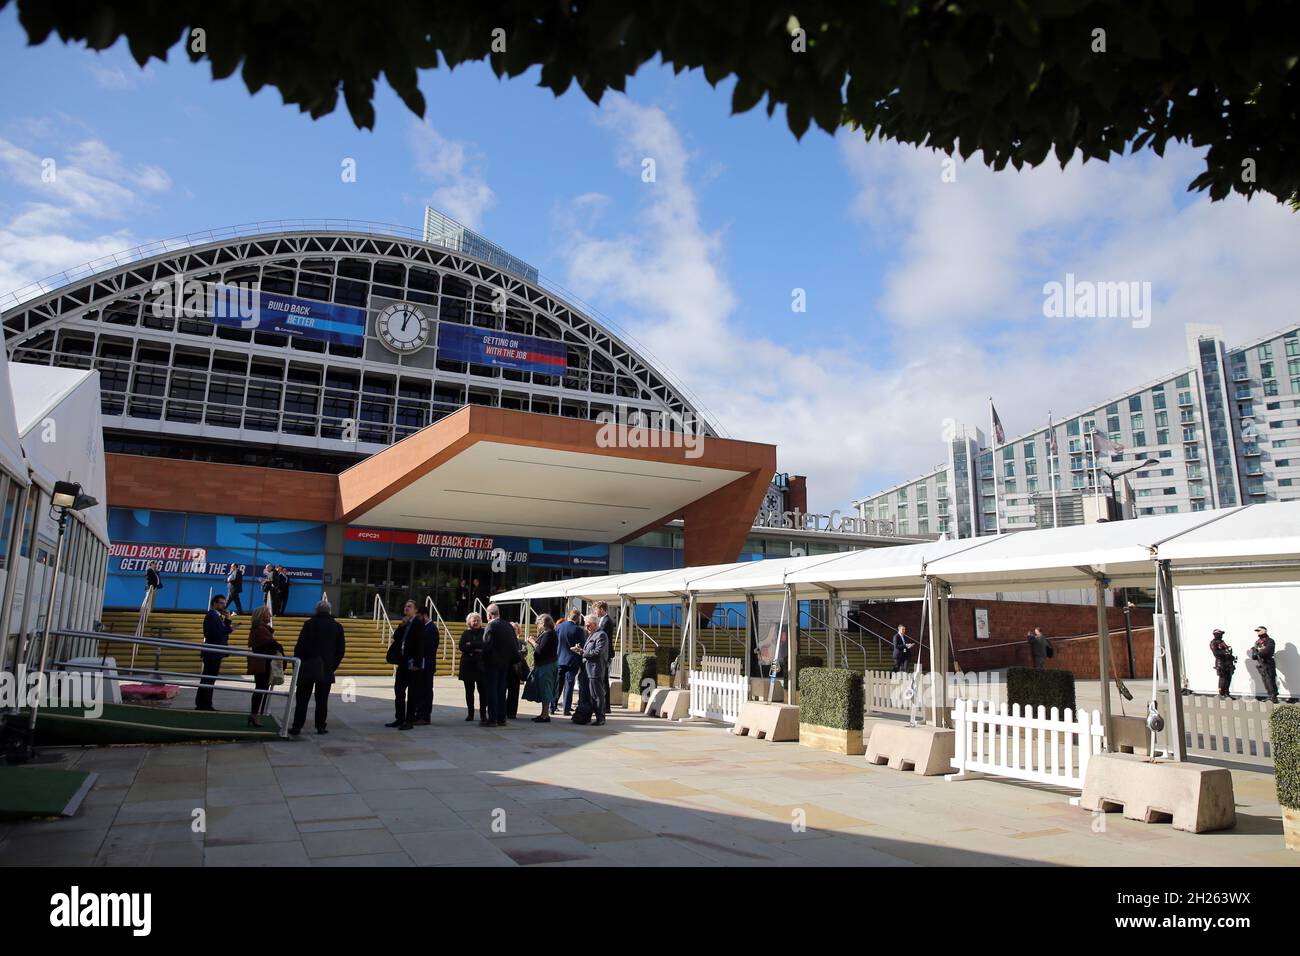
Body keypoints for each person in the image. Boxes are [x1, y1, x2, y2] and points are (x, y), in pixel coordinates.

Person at [290, 598, 346, 736]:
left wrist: (298, 663)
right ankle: (320, 726)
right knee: (322, 700)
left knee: (302, 699)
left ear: (316, 610)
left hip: (308, 665)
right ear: (329, 611)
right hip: (326, 667)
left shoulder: (309, 624)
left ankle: (297, 726)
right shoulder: (337, 626)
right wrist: (333, 665)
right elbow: (341, 650)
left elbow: (299, 647)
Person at [386, 600, 423, 730]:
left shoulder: (418, 624)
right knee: (399, 691)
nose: (406, 608)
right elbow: (396, 637)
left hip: (412, 663)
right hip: (402, 662)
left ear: (416, 610)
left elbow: (420, 645)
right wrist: (402, 625)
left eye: (409, 606)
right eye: (405, 606)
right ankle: (399, 718)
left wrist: (417, 663)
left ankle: (409, 720)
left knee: (412, 693)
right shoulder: (404, 623)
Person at [246, 605, 283, 726]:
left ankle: (255, 715)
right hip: (263, 663)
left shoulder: (260, 628)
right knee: (260, 688)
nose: (270, 616)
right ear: (262, 615)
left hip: (263, 662)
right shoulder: (261, 629)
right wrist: (278, 647)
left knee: (261, 688)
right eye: (268, 613)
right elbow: (270, 644)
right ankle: (254, 715)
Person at [481, 604, 517, 727]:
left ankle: (493, 718)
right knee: (501, 691)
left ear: (489, 615)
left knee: (492, 691)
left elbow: (487, 645)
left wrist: (484, 660)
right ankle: (502, 718)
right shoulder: (508, 626)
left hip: (492, 663)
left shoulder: (491, 626)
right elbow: (514, 645)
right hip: (504, 663)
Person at [196, 594, 233, 711]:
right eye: (221, 603)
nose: (224, 605)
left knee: (209, 679)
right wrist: (229, 627)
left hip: (216, 652)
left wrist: (227, 621)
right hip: (213, 652)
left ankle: (204, 703)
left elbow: (221, 632)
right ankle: (204, 704)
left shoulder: (217, 616)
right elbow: (214, 634)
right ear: (215, 604)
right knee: (208, 679)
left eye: (224, 603)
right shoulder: (212, 616)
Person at [523, 613, 559, 722]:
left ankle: (545, 715)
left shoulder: (549, 634)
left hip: (546, 666)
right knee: (544, 689)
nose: (537, 625)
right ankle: (543, 713)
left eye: (538, 623)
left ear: (543, 623)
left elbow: (540, 650)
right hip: (544, 664)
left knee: (545, 689)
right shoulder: (547, 633)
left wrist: (533, 642)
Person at [554, 608, 586, 715]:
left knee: (557, 685)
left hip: (559, 660)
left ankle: (552, 707)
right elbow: (582, 646)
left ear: (568, 616)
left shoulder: (558, 627)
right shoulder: (578, 630)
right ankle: (566, 709)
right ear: (577, 618)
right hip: (572, 661)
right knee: (569, 686)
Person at [413, 605, 440, 725]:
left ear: (424, 615)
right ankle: (419, 713)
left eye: (418, 616)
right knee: (420, 690)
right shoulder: (424, 627)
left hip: (427, 664)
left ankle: (424, 716)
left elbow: (428, 648)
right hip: (422, 663)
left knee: (426, 690)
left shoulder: (431, 629)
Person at [580, 612, 609, 726]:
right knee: (591, 694)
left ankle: (600, 718)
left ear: (595, 624)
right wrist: (581, 651)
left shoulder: (601, 635)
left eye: (588, 625)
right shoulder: (592, 635)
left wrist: (583, 652)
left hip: (595, 669)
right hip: (589, 669)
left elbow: (598, 652)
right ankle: (593, 716)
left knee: (597, 695)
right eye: (585, 625)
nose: (586, 627)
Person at [459, 612, 487, 722]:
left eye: (477, 620)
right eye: (473, 620)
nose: (475, 622)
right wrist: (475, 647)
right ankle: (470, 713)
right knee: (469, 691)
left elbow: (485, 645)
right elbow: (462, 646)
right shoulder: (466, 633)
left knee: (483, 691)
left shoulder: (484, 632)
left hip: (481, 665)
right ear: (469, 622)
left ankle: (483, 715)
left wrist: (471, 644)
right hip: (468, 666)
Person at [594, 600, 616, 716]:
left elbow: (602, 637)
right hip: (605, 654)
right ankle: (604, 705)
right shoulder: (603, 620)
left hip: (605, 654)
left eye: (596, 609)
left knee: (604, 680)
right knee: (602, 680)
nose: (595, 612)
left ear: (601, 609)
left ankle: (606, 706)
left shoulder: (607, 621)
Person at [1250, 626, 1279, 703]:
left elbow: (1268, 651)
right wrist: (1254, 654)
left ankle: (1274, 696)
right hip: (1260, 664)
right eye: (1257, 631)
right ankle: (1270, 695)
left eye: (1259, 631)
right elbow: (1254, 655)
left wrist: (1258, 653)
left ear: (1264, 631)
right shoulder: (1257, 642)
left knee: (1270, 679)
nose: (1257, 632)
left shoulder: (1270, 641)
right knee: (1265, 680)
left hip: (1268, 663)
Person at [505, 620, 528, 719]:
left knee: (514, 692)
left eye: (514, 629)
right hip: (505, 669)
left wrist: (513, 653)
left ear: (518, 631)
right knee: (502, 691)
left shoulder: (521, 642)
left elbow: (523, 652)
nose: (513, 630)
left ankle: (512, 713)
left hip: (516, 670)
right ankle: (502, 710)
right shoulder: (504, 641)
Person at [1210, 629, 1236, 698]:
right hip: (1221, 663)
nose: (1221, 635)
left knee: (1228, 677)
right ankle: (1221, 693)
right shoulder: (1214, 642)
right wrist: (1224, 652)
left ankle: (1227, 693)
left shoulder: (1222, 642)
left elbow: (1227, 651)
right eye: (1220, 634)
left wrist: (1231, 656)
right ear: (1216, 634)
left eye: (1222, 634)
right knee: (1223, 678)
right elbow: (1216, 653)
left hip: (1228, 662)